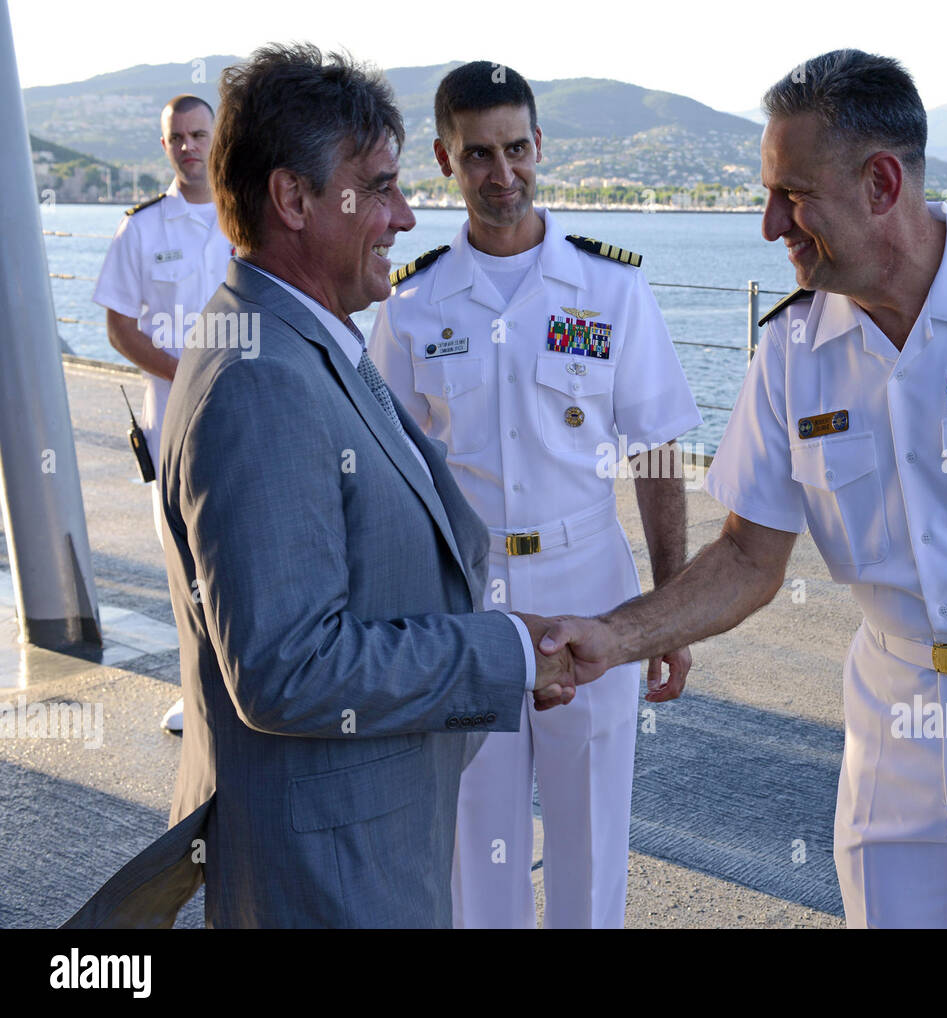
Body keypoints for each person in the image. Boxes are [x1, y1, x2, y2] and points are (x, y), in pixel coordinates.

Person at [540, 49, 947, 929]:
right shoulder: (792, 350)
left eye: (795, 194)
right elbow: (747, 554)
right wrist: (616, 636)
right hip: (893, 717)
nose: (772, 221)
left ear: (883, 182)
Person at [64, 43, 598, 930]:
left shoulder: (300, 337)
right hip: (332, 876)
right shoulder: (259, 381)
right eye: (380, 186)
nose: (401, 215)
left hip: (361, 848)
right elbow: (287, 666)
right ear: (294, 198)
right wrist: (501, 650)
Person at [369, 61, 701, 929]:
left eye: (516, 148)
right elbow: (388, 472)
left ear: (541, 145)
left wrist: (665, 611)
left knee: (592, 835)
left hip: (591, 578)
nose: (502, 173)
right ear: (444, 159)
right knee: (478, 842)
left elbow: (658, 453)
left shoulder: (611, 288)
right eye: (478, 154)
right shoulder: (412, 303)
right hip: (468, 602)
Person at [92, 94, 231, 734]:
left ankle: (247, 690)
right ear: (165, 145)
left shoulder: (247, 215)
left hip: (247, 414)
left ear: (217, 135)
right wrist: (183, 369)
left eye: (198, 134)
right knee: (183, 552)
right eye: (176, 137)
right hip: (171, 418)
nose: (188, 146)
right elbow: (120, 325)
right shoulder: (142, 229)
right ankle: (197, 695)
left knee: (247, 549)